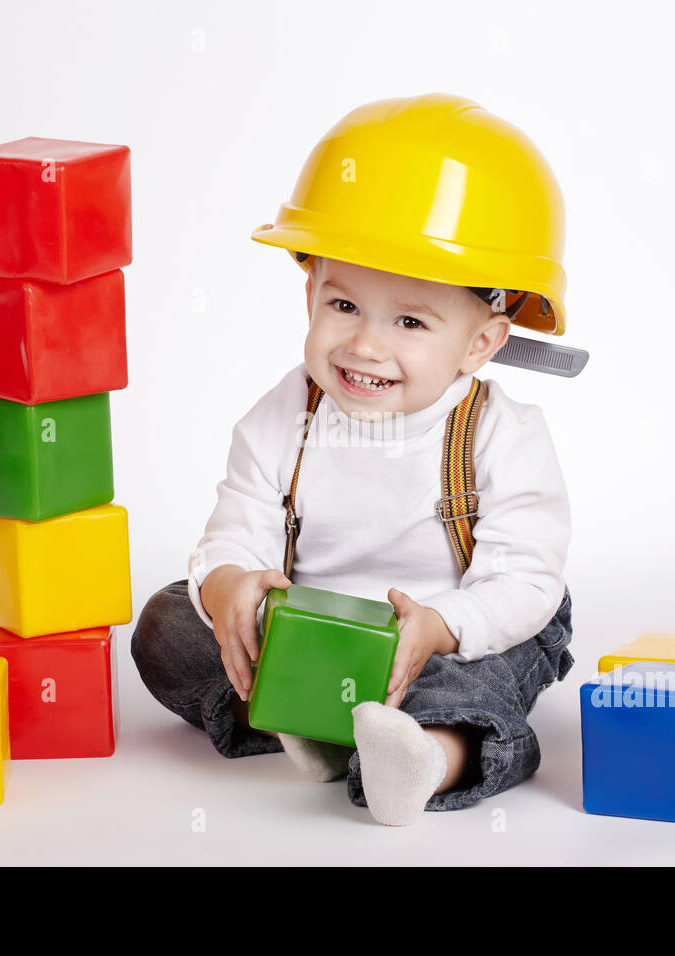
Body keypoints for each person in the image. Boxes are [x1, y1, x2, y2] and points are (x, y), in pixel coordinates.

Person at [131, 93, 576, 826]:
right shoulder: (289, 411)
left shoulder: (501, 434)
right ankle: (302, 720)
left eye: (409, 320)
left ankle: (427, 757)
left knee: (490, 673)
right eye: (344, 306)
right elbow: (236, 522)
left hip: (442, 643)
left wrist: (442, 624)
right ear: (310, 291)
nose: (365, 345)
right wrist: (232, 583)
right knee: (169, 622)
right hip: (310, 635)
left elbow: (526, 580)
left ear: (481, 343)